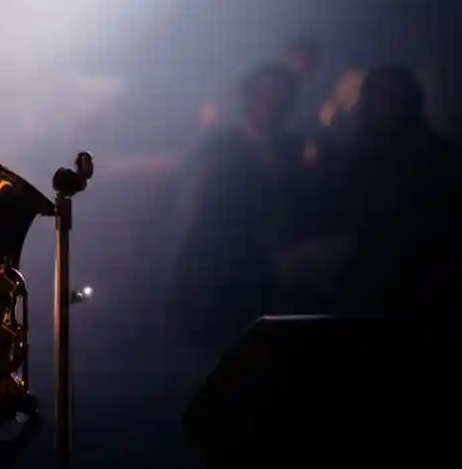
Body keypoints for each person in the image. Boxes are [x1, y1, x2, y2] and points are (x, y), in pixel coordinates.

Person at [170, 62, 309, 357]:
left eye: (282, 99)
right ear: (250, 99)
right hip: (222, 281)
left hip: (276, 287)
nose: (274, 107)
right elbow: (207, 218)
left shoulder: (295, 150)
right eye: (267, 97)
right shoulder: (218, 150)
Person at [333, 64, 462, 323]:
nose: (383, 105)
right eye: (377, 95)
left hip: (426, 290)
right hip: (362, 291)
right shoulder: (349, 159)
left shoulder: (441, 158)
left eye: (391, 96)